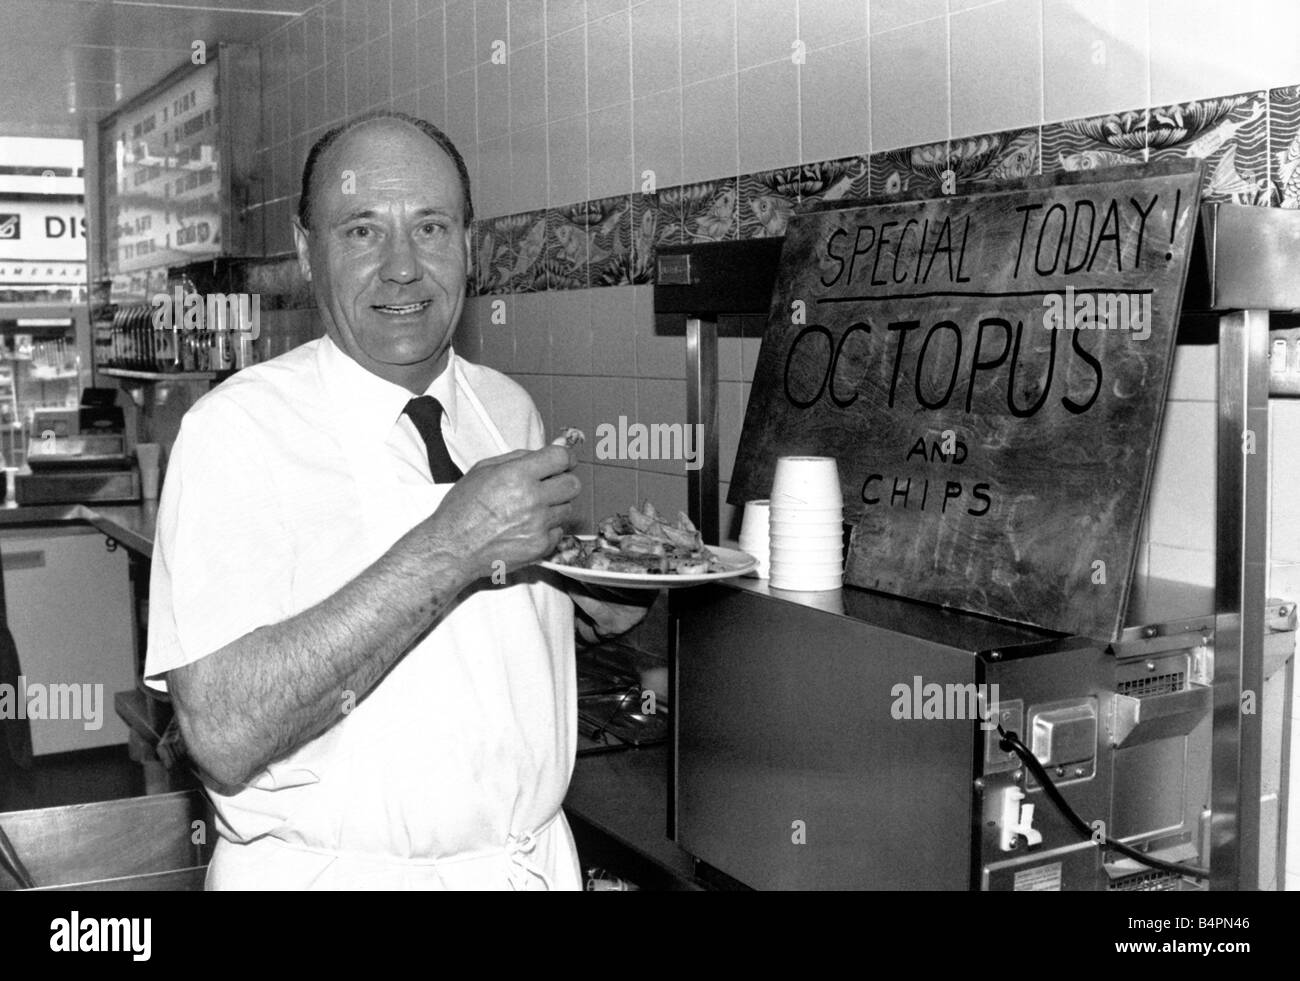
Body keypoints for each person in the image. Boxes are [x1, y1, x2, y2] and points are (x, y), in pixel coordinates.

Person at [145, 110, 649, 890]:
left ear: (470, 246)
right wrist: (452, 544)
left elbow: (464, 656)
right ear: (308, 253)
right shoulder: (235, 433)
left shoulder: (506, 411)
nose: (403, 267)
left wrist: (586, 605)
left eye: (431, 227)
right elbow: (222, 728)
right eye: (362, 232)